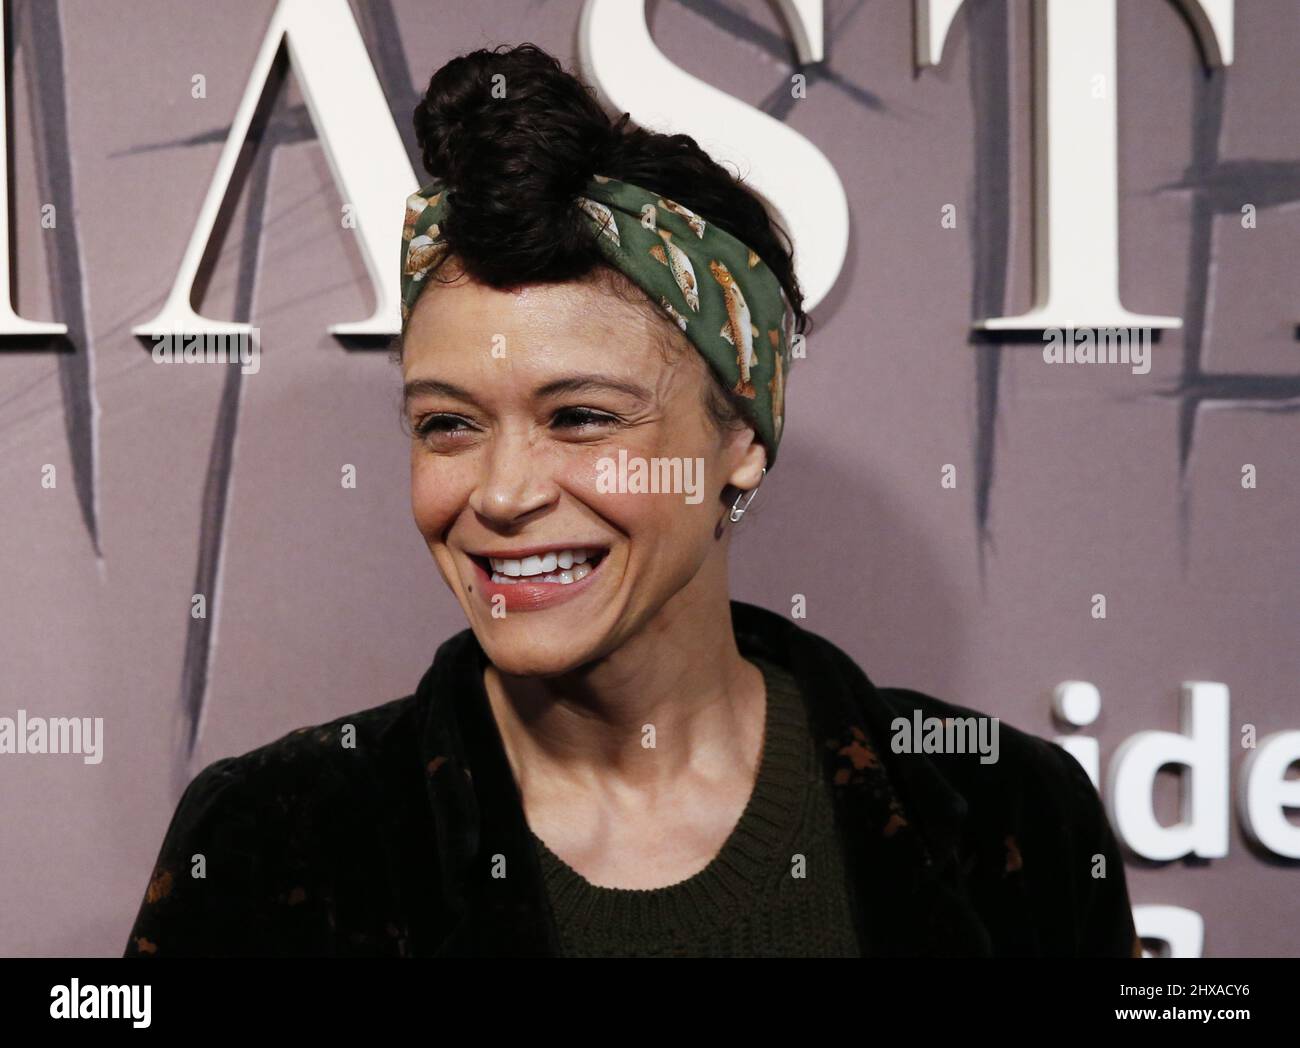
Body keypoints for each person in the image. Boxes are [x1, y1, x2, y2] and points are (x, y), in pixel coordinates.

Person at [123, 43, 1140, 958]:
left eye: (580, 418)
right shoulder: (274, 838)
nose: (504, 493)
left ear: (739, 438)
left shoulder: (1005, 812)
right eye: (448, 424)